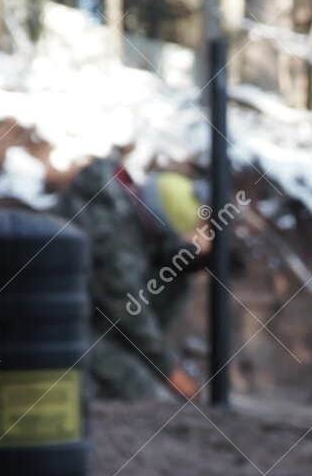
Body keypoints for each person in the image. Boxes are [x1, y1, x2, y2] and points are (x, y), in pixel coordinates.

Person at [58, 153, 212, 400]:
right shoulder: (111, 233)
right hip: (63, 334)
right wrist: (170, 371)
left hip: (80, 326)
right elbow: (129, 310)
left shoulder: (122, 215)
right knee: (147, 394)